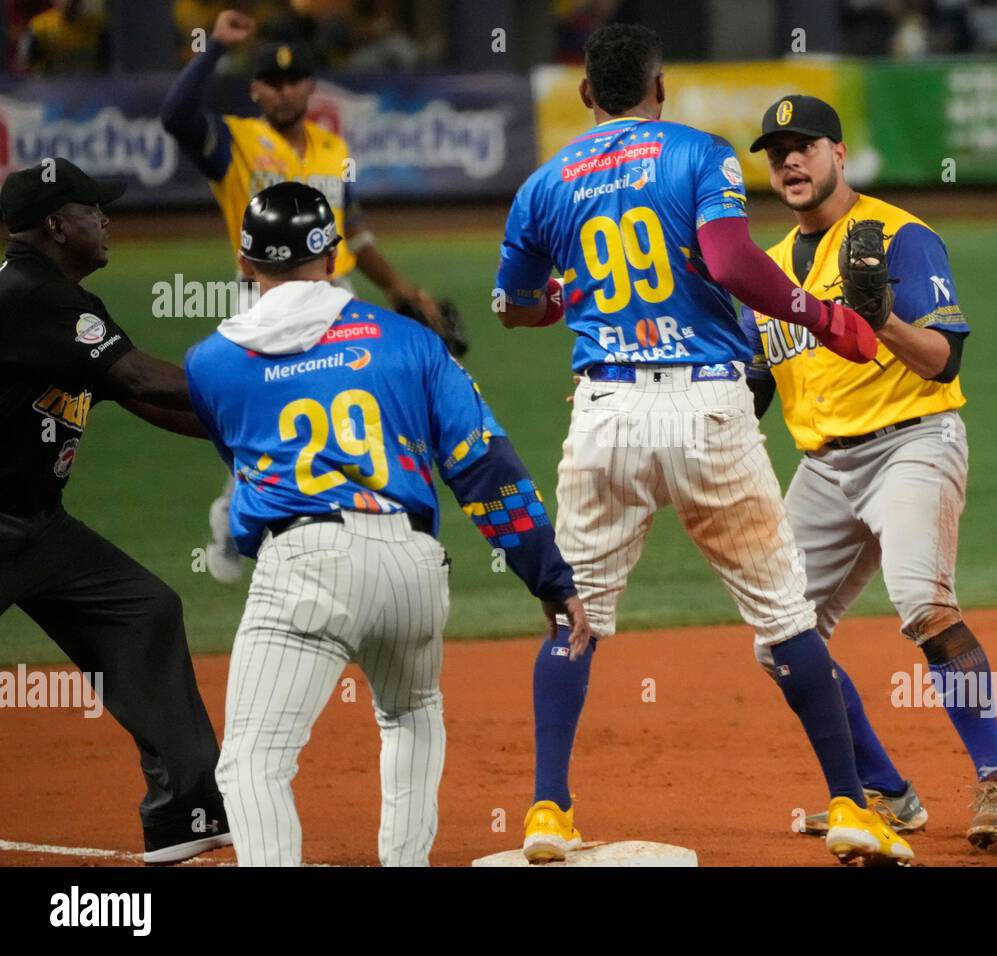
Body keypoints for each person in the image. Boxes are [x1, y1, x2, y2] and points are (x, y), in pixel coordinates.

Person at [496, 23, 911, 866]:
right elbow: (727, 261)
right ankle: (847, 804)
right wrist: (822, 314)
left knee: (573, 614)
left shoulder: (543, 184)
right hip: (707, 410)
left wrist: (566, 299)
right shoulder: (698, 152)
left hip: (603, 411)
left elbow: (515, 304)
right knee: (786, 618)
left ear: (584, 96)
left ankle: (546, 808)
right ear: (661, 87)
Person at [185, 182, 587, 866]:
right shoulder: (410, 341)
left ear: (246, 264)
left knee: (253, 761)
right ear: (334, 255)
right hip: (410, 564)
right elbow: (484, 464)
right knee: (410, 717)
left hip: (303, 564)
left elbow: (247, 465)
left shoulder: (210, 364)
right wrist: (547, 575)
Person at [742, 95, 997, 847]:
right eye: (777, 152)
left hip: (913, 444)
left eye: (805, 145)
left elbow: (944, 362)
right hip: (821, 471)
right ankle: (888, 792)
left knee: (923, 606)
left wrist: (883, 323)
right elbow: (753, 394)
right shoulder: (769, 273)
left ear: (840, 153)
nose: (790, 162)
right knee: (781, 641)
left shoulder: (900, 237)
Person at [160, 7, 469, 585]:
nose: (282, 91)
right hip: (264, 298)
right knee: (268, 419)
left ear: (310, 86)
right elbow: (176, 115)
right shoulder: (235, 141)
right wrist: (213, 49)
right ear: (255, 89)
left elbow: (355, 230)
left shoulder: (331, 146)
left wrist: (404, 290)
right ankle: (236, 513)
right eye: (271, 82)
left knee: (357, 407)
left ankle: (365, 516)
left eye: (294, 80)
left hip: (337, 294)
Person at [0, 158, 231, 864]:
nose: (107, 220)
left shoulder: (65, 303)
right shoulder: (28, 297)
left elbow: (136, 397)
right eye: (94, 209)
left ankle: (186, 814)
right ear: (54, 224)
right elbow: (140, 374)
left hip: (36, 529)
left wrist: (249, 437)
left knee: (142, 609)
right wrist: (265, 389)